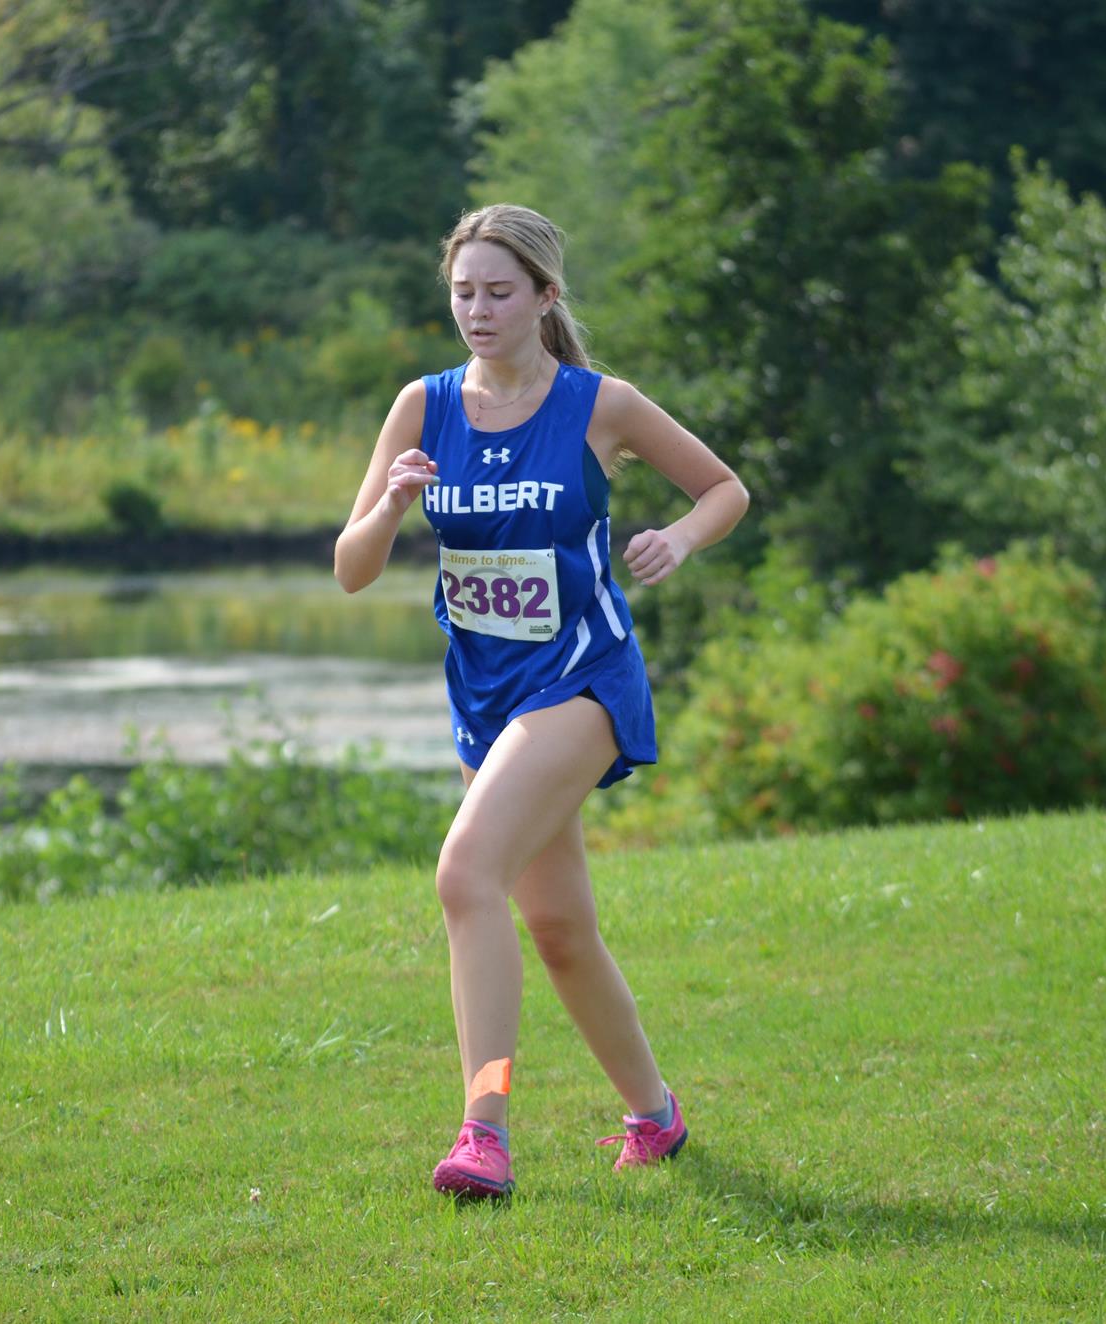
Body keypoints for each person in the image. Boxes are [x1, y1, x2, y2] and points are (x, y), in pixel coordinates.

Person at [334, 204, 748, 1199]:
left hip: (580, 680)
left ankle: (483, 1130)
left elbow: (722, 488)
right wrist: (392, 503)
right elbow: (351, 569)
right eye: (461, 292)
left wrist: (676, 542)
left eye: (497, 292)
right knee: (557, 926)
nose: (475, 310)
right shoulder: (421, 405)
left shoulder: (599, 405)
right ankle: (654, 1115)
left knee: (464, 872)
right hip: (485, 692)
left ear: (544, 297)